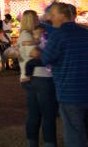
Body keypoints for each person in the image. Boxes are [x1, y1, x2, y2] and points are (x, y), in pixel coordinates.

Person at [34, 2, 88, 147]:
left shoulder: (57, 35)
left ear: (63, 16)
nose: (51, 18)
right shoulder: (85, 32)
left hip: (69, 94)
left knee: (75, 136)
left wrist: (37, 52)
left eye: (53, 14)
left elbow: (46, 59)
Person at [16, 10, 57, 147]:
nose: (38, 20)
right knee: (47, 114)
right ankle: (49, 143)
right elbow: (34, 53)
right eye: (35, 18)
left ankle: (32, 142)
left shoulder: (28, 35)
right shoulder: (27, 35)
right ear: (30, 19)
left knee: (35, 114)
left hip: (32, 79)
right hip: (41, 78)